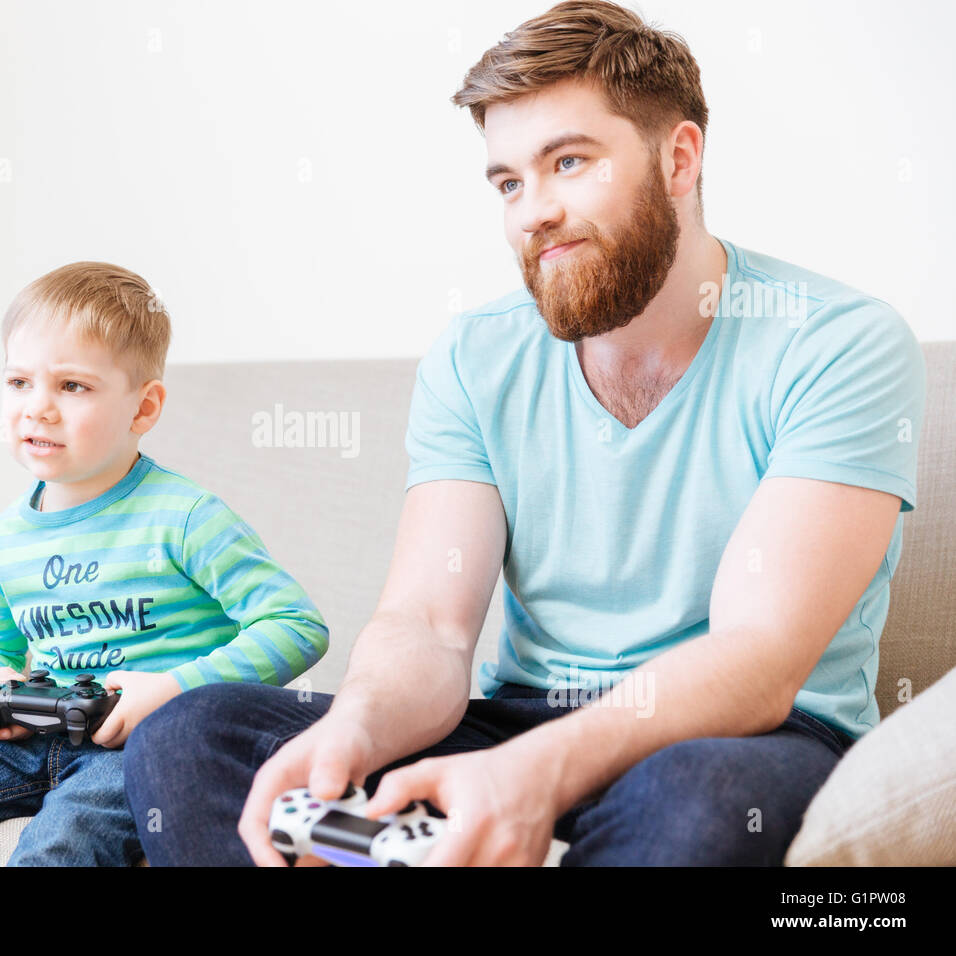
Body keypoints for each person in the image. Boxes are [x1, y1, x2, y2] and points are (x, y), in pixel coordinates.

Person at [121, 0, 926, 866]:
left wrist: (535, 777)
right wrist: (354, 729)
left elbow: (758, 657)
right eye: (508, 182)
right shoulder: (475, 357)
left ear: (679, 158)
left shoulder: (840, 342)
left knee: (699, 803)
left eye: (568, 162)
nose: (531, 211)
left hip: (744, 738)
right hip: (524, 712)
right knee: (192, 735)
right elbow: (429, 624)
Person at [0, 261, 329, 866]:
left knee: (64, 843)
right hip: (27, 737)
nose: (38, 408)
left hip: (137, 748)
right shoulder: (6, 538)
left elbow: (296, 626)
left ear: (142, 409)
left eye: (72, 387)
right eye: (19, 382)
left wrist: (172, 691)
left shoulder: (186, 517)